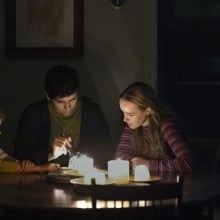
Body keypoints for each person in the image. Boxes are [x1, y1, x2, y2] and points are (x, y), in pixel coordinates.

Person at [14, 65, 113, 169]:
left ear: (78, 93)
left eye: (72, 99)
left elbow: (106, 154)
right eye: (60, 102)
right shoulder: (34, 114)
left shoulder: (91, 112)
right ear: (48, 96)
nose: (68, 107)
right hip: (42, 178)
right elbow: (21, 159)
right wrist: (51, 154)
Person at [115, 81, 194, 173]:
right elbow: (121, 155)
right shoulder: (131, 126)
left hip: (168, 184)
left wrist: (149, 164)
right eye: (123, 113)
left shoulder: (166, 126)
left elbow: (187, 163)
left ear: (147, 110)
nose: (125, 119)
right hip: (143, 183)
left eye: (130, 114)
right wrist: (134, 161)